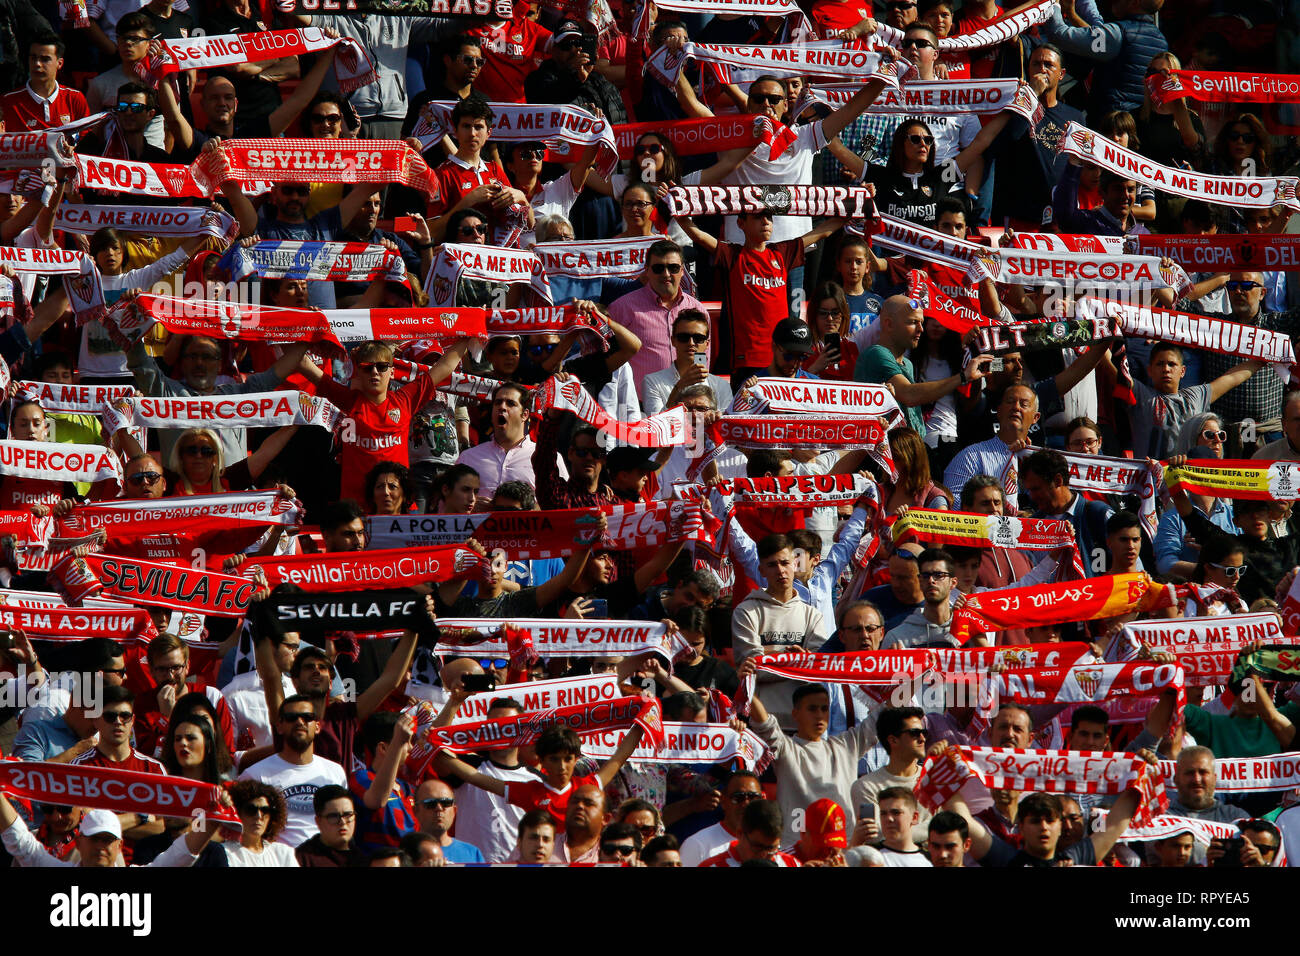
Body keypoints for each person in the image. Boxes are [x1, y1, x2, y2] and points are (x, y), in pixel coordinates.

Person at [738, 660, 879, 841]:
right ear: (795, 714)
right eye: (812, 709)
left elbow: (882, 715)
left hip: (843, 849)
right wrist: (745, 683)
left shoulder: (847, 745)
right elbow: (765, 724)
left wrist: (911, 674)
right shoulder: (785, 748)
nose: (819, 715)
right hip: (797, 850)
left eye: (824, 709)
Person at [857, 295, 993, 440]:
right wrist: (963, 377)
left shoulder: (907, 364)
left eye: (921, 322)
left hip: (912, 446)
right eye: (913, 322)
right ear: (889, 324)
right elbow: (909, 395)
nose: (921, 329)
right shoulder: (876, 354)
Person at [238, 695, 348, 848]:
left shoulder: (335, 772)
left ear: (317, 726)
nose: (299, 722)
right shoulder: (255, 775)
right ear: (279, 726)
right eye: (291, 717)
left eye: (307, 717)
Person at [454, 382, 536, 498]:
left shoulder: (545, 458)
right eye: (498, 403)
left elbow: (560, 506)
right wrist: (472, 507)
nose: (502, 407)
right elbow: (448, 506)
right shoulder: (468, 458)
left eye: (511, 404)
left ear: (525, 414)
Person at [679, 770, 764, 867]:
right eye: (738, 798)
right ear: (723, 801)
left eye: (753, 797)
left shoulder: (770, 845)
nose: (746, 804)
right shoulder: (697, 845)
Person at [883, 548, 960, 648]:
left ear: (953, 583)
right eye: (926, 575)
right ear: (920, 581)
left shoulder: (968, 631)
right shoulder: (896, 639)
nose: (931, 580)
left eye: (939, 575)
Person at [699, 799, 801, 867]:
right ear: (739, 833)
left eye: (771, 848)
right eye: (758, 847)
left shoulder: (792, 864)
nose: (764, 855)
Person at [225, 781, 299, 867]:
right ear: (238, 813)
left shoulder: (283, 853)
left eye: (265, 810)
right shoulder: (225, 853)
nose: (258, 816)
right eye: (251, 810)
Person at [414, 779, 486, 864]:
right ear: (416, 811)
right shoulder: (405, 854)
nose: (439, 808)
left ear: (454, 811)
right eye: (430, 803)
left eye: (446, 803)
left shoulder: (473, 853)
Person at [296, 786, 367, 867]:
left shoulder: (364, 858)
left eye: (348, 815)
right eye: (333, 816)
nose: (342, 822)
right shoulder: (302, 859)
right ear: (318, 821)